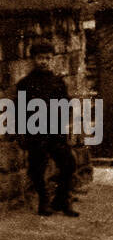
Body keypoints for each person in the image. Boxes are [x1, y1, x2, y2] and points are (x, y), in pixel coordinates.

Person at [16, 41, 79, 217]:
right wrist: (21, 133)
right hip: (35, 132)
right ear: (33, 59)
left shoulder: (58, 82)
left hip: (56, 131)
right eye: (40, 58)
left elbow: (66, 106)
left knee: (68, 164)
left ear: (52, 59)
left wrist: (69, 128)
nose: (44, 61)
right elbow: (20, 109)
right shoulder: (25, 84)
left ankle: (62, 200)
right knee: (37, 168)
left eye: (47, 58)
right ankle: (44, 201)